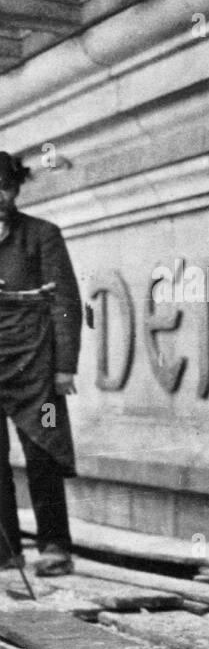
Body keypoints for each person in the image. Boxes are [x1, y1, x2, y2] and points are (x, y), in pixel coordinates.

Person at [0, 152, 81, 578]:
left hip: (39, 376)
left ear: (16, 189)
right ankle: (6, 550)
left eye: (5, 187)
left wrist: (64, 366)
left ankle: (54, 545)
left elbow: (65, 303)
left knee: (45, 448)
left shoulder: (43, 235)